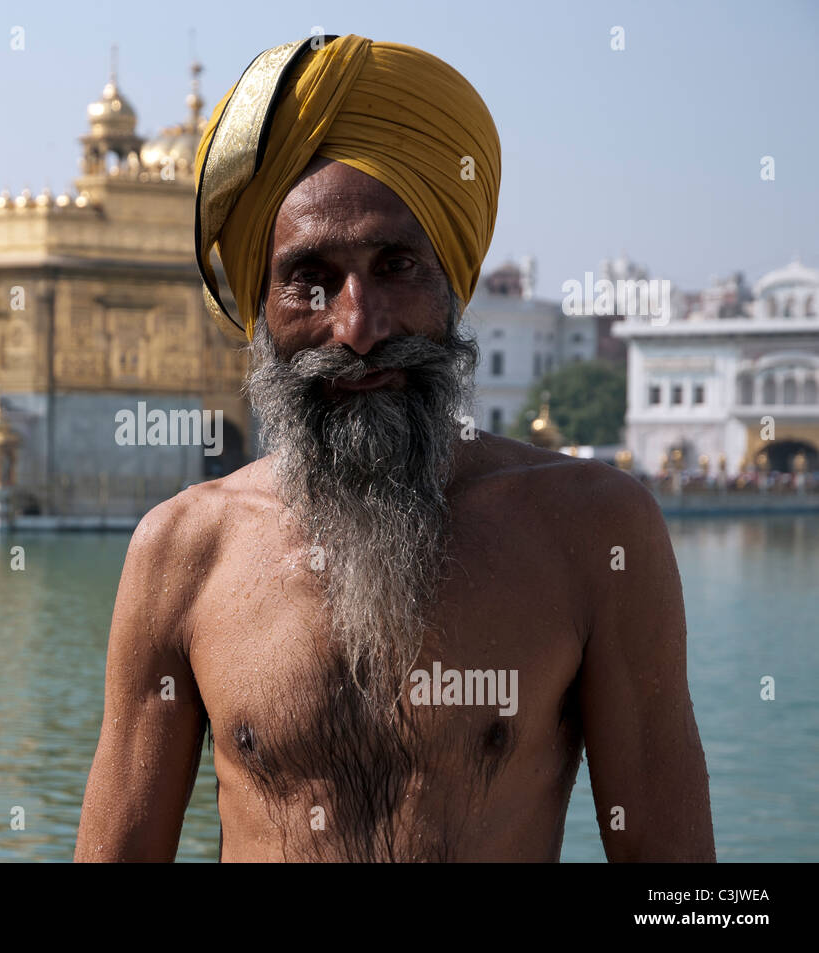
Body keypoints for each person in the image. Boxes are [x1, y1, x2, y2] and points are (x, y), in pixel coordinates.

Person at [74, 34, 714, 862]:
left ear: (453, 279)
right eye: (310, 278)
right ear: (260, 305)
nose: (358, 327)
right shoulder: (183, 551)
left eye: (396, 264)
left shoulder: (593, 533)